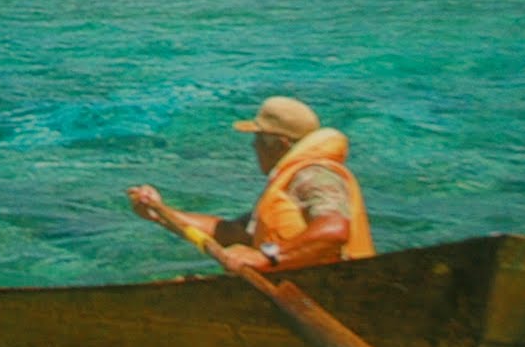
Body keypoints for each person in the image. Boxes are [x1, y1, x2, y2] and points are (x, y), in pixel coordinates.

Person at [128, 95, 374, 270]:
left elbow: (333, 230)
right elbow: (232, 233)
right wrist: (161, 213)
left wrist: (268, 258)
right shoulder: (290, 178)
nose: (253, 145)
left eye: (258, 138)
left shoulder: (313, 175)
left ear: (280, 144)